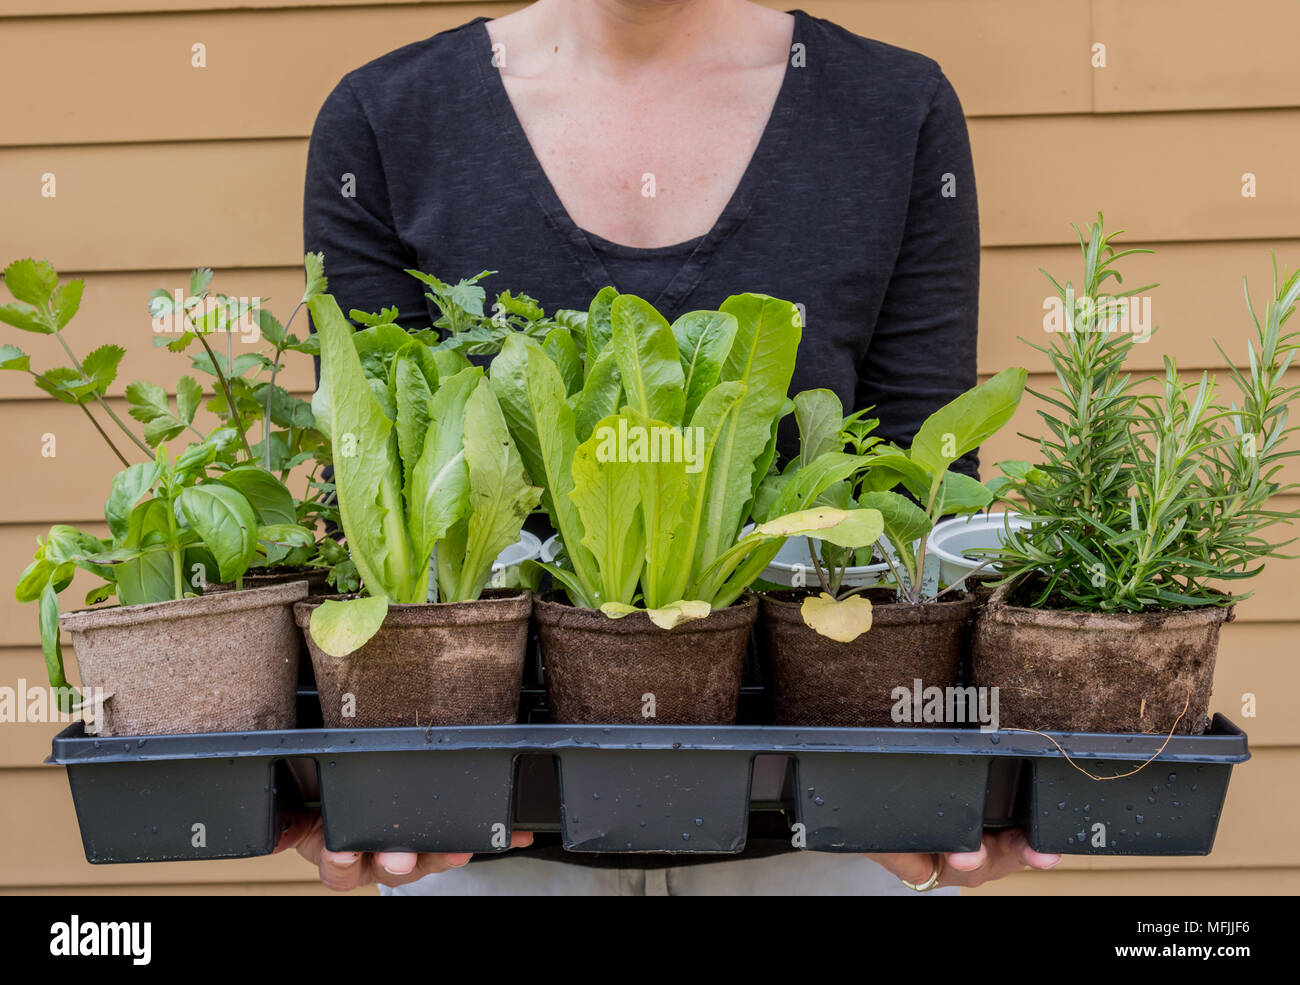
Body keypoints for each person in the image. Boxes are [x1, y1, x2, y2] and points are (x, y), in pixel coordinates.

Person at [285, 0, 1061, 895]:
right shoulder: (389, 118)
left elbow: (923, 493)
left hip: (828, 839)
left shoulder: (892, 108)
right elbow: (378, 470)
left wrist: (960, 785)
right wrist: (353, 785)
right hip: (479, 839)